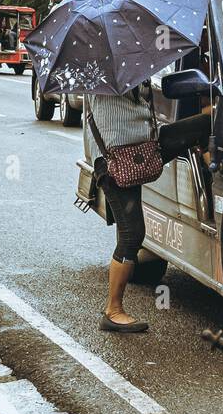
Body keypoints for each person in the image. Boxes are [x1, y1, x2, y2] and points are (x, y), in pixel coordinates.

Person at [86, 82, 211, 333]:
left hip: (144, 150)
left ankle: (213, 168)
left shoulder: (133, 68)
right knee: (132, 234)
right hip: (115, 162)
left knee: (205, 122)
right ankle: (113, 311)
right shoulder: (100, 72)